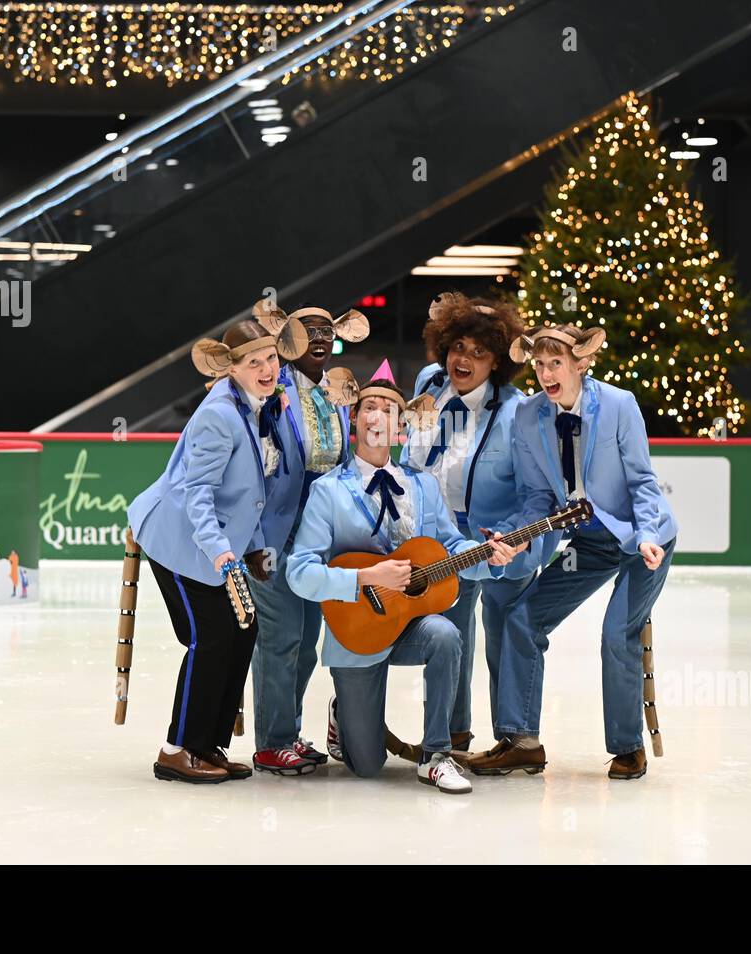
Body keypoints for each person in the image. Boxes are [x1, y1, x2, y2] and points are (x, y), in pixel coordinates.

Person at [285, 375, 526, 793]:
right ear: (354, 419)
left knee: (447, 634)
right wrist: (366, 577)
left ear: (401, 427)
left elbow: (452, 550)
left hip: (411, 626)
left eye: (389, 409)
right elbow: (299, 572)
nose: (378, 415)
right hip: (356, 632)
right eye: (369, 407)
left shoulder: (423, 485)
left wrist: (492, 557)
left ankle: (435, 755)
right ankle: (344, 714)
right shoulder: (327, 492)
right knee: (366, 767)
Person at [467, 324, 678, 781]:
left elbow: (643, 482)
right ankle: (520, 740)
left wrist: (645, 535)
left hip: (644, 540)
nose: (544, 373)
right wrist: (518, 535)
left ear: (581, 364)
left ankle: (627, 748)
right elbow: (538, 497)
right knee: (523, 619)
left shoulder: (619, 405)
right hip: (589, 544)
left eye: (555, 363)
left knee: (616, 634)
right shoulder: (528, 416)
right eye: (539, 364)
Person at [126, 310, 308, 784]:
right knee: (211, 638)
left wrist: (255, 548)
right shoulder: (218, 416)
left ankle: (209, 743)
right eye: (254, 363)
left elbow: (249, 494)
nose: (266, 369)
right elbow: (196, 493)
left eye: (271, 358)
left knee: (243, 631)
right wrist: (221, 551)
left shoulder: (256, 405)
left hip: (218, 542)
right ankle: (176, 749)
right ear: (231, 368)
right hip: (180, 541)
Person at [399, 292, 540, 754]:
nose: (466, 360)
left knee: (506, 638)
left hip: (493, 540)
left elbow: (536, 488)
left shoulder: (518, 410)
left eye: (480, 354)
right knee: (450, 636)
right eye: (459, 347)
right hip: (433, 540)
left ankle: (518, 738)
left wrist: (517, 540)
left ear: (497, 364)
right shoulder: (429, 382)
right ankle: (453, 734)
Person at [248, 301, 369, 776]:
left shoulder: (336, 394)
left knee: (307, 639)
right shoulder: (270, 394)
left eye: (326, 332)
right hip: (274, 539)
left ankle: (288, 731)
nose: (319, 339)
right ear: (287, 340)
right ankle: (270, 742)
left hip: (320, 538)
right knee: (280, 637)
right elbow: (252, 473)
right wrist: (255, 541)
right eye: (308, 331)